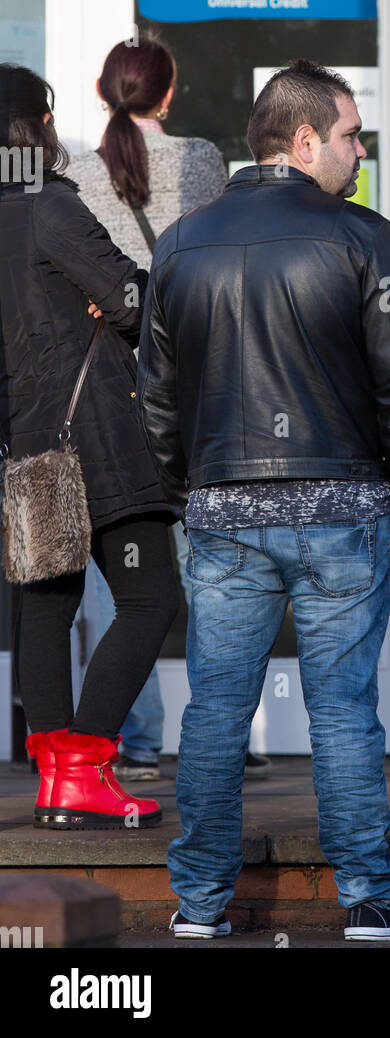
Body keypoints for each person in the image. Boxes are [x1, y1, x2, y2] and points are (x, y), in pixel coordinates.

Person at [136, 58, 390, 941]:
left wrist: (187, 493)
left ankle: (198, 905)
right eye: (351, 135)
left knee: (215, 711)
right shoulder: (361, 235)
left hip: (223, 514)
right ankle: (370, 899)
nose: (360, 149)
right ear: (303, 139)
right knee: (343, 709)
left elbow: (155, 395)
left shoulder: (181, 242)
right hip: (344, 507)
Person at [0, 64, 179, 827]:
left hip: (25, 443)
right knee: (148, 598)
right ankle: (87, 762)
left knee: (45, 605)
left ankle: (54, 780)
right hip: (97, 438)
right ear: (28, 125)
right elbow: (134, 301)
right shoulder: (48, 207)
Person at [67, 36, 237, 782]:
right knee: (216, 567)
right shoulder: (201, 160)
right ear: (167, 96)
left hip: (109, 388)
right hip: (198, 379)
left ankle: (135, 739)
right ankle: (222, 730)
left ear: (105, 94)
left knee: (125, 572)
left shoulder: (71, 173)